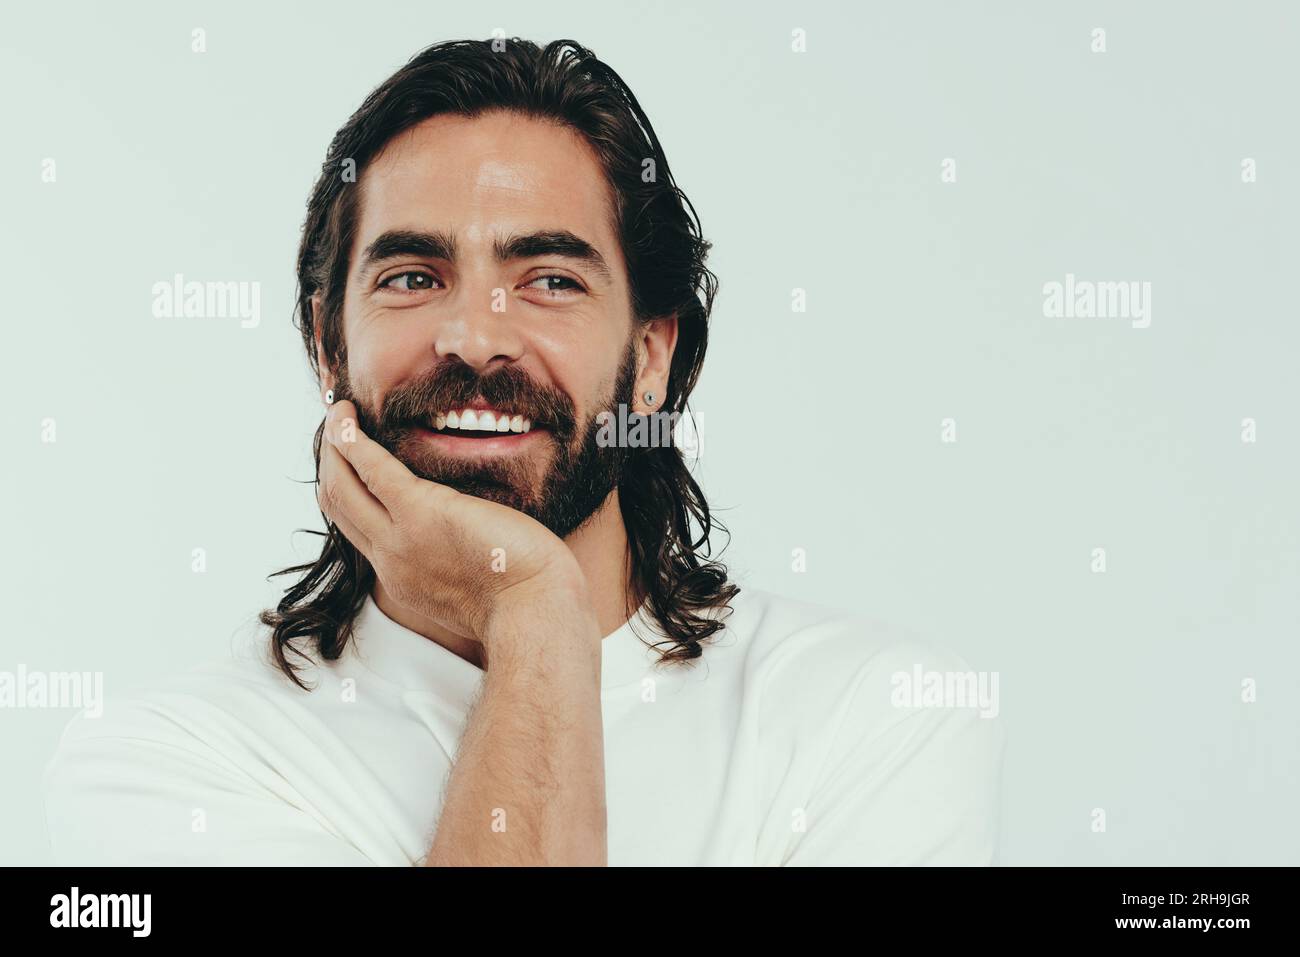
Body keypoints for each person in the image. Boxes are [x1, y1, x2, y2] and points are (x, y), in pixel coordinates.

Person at [42, 37, 1004, 866]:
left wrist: (523, 603)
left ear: (652, 357)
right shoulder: (165, 764)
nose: (474, 336)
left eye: (548, 279)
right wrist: (534, 607)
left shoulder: (869, 720)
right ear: (327, 344)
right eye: (414, 276)